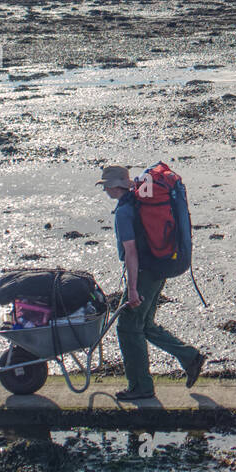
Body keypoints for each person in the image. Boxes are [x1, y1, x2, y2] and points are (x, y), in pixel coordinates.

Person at [97, 165, 206, 400]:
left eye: (106, 186)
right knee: (145, 324)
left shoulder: (125, 211)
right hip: (160, 265)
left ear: (115, 186)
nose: (105, 190)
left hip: (146, 272)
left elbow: (131, 253)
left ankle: (140, 387)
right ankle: (190, 358)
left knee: (127, 327)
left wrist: (133, 289)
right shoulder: (138, 199)